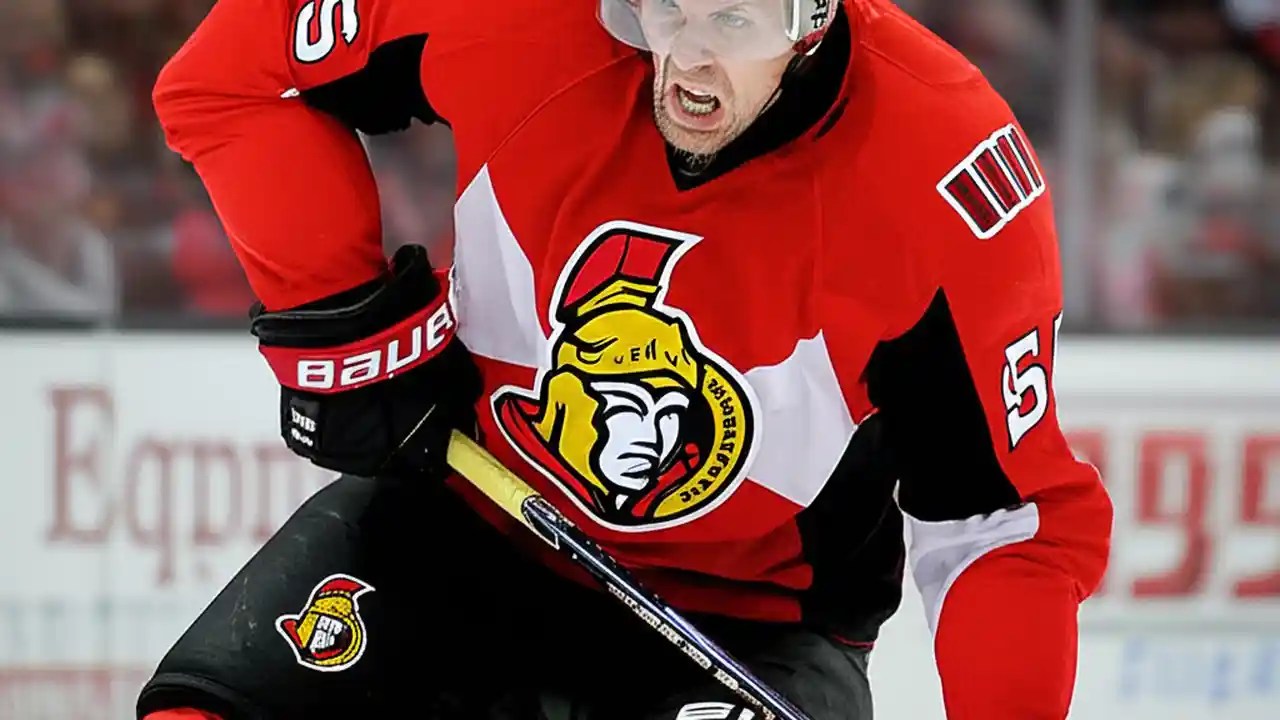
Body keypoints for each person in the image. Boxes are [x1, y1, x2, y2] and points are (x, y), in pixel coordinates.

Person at [140, 1, 1113, 718]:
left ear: (814, 18)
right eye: (662, 3)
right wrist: (349, 332)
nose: (683, 54)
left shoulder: (942, 174)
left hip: (749, 619)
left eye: (731, 18)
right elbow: (229, 79)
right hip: (463, 523)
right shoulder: (518, 18)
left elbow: (1001, 520)